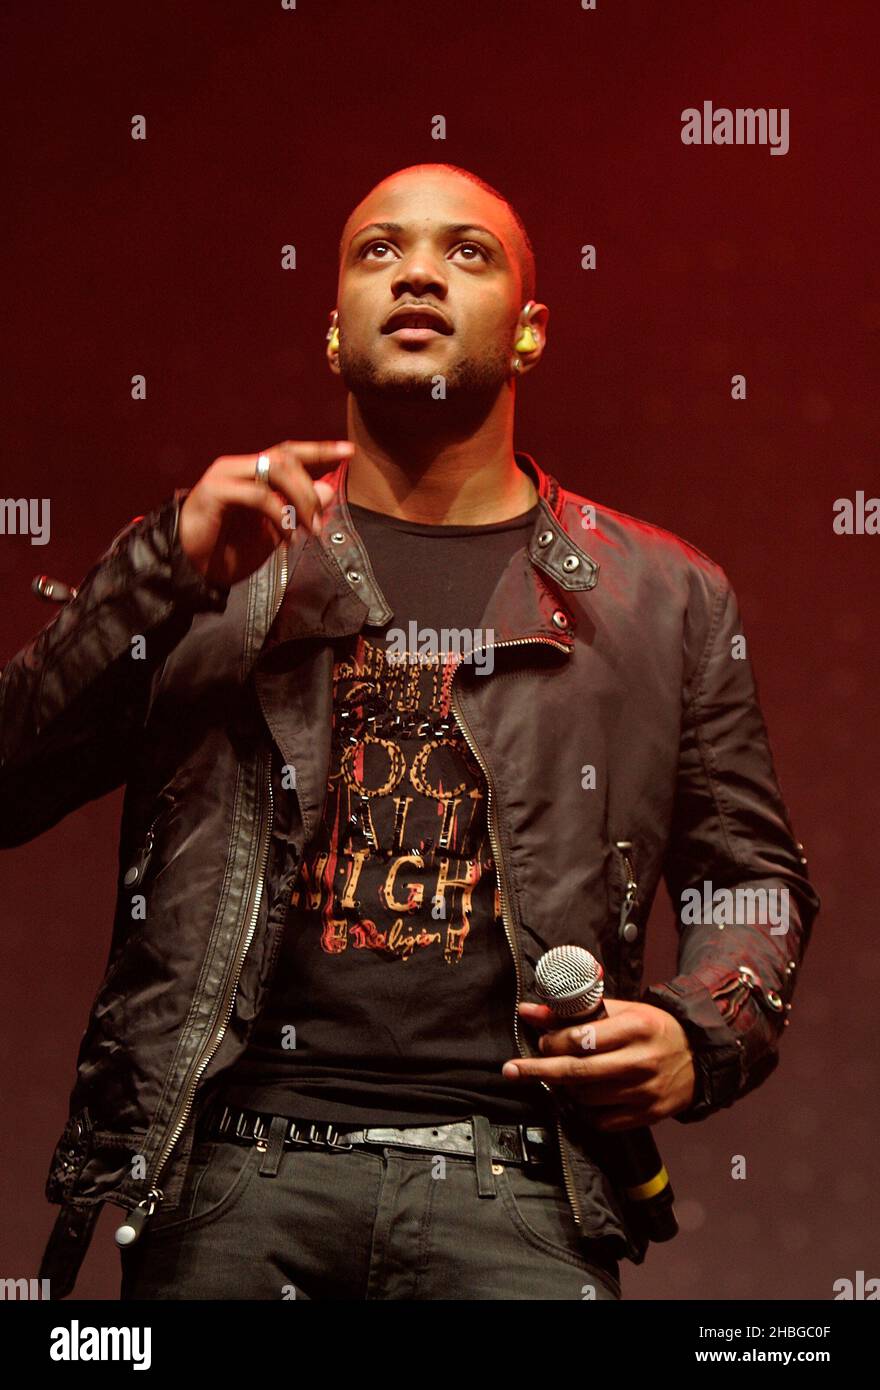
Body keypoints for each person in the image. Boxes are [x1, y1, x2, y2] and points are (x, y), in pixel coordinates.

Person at [0, 163, 819, 1301]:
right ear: (333, 330)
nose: (419, 272)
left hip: (522, 1189)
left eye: (466, 252)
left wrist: (708, 1026)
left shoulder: (664, 595)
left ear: (530, 334)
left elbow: (752, 876)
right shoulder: (219, 564)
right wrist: (161, 571)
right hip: (234, 1184)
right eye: (378, 251)